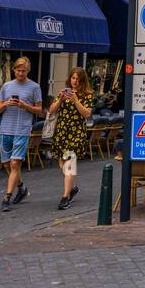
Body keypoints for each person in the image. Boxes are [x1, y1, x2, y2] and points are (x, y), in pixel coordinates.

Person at [0, 57, 44, 211]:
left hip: (22, 129)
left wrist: (24, 105)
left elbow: (40, 110)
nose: (21, 73)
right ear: (14, 70)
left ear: (28, 71)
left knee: (15, 164)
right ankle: (21, 188)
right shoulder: (6, 86)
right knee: (6, 164)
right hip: (6, 129)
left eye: (24, 71)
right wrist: (6, 103)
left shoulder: (34, 87)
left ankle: (7, 198)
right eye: (18, 70)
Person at [49, 67, 93, 210]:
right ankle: (73, 187)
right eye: (73, 78)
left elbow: (86, 114)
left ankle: (65, 197)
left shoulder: (87, 94)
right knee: (63, 164)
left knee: (69, 164)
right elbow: (52, 110)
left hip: (76, 133)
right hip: (62, 131)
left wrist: (75, 100)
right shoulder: (64, 92)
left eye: (78, 79)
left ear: (83, 81)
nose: (75, 82)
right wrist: (61, 98)